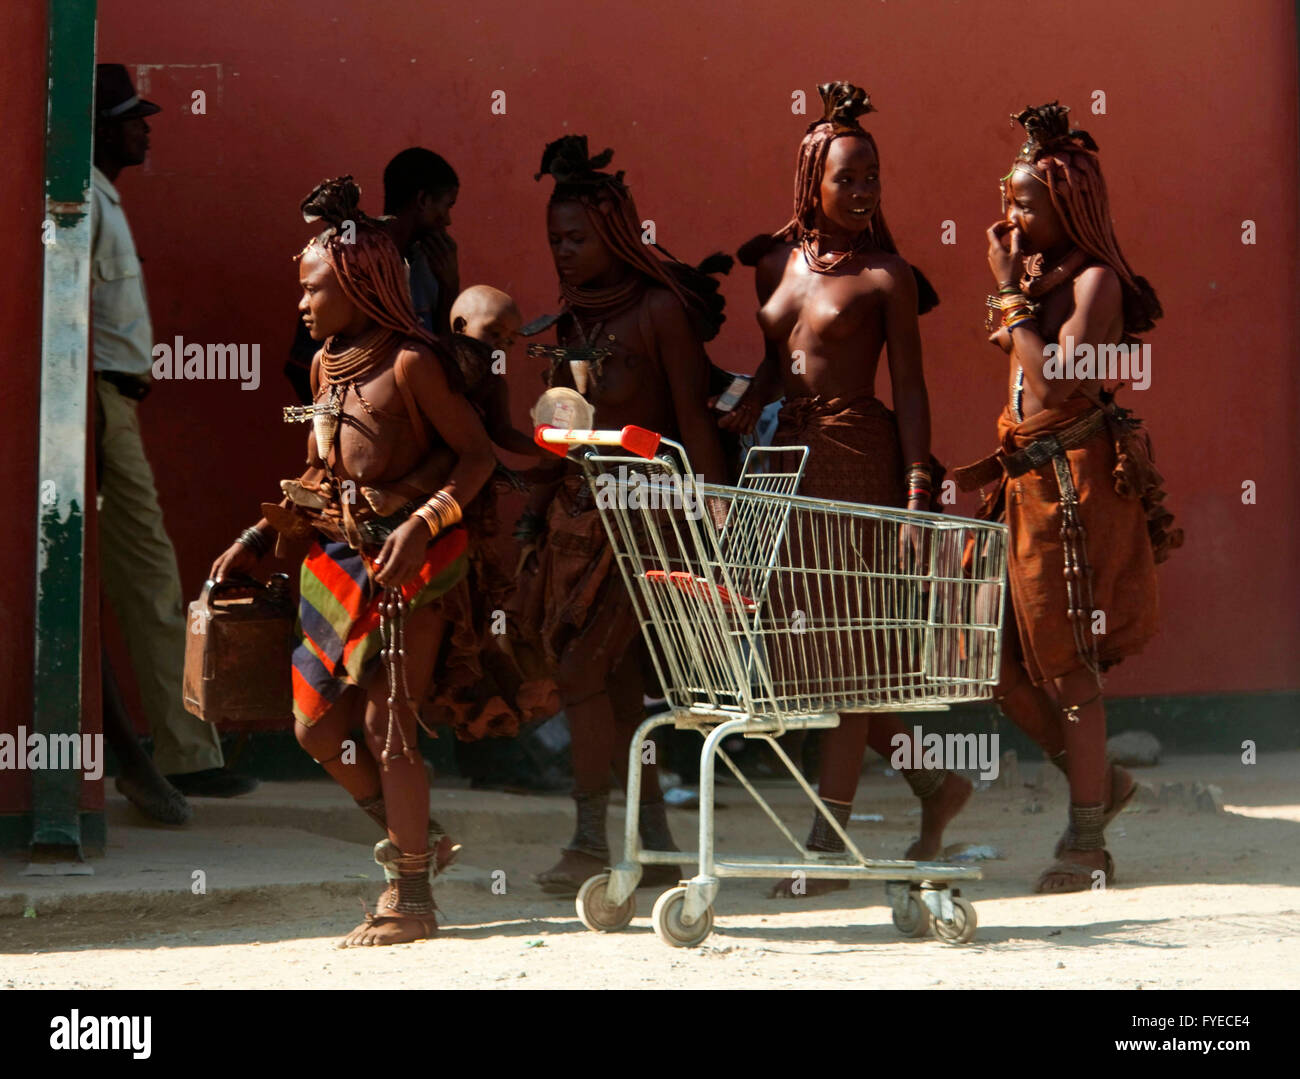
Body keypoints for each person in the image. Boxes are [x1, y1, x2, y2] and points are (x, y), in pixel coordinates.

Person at [210, 177, 495, 945]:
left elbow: (476, 458)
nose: (301, 304)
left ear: (360, 285)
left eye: (313, 289)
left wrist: (425, 524)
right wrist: (256, 541)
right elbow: (319, 476)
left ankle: (411, 898)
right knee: (312, 726)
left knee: (385, 724)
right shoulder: (324, 368)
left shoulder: (410, 364)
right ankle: (419, 843)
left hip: (411, 564)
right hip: (334, 564)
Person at [723, 82, 968, 896]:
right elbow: (771, 365)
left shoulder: (889, 275)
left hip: (857, 459)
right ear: (811, 185)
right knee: (807, 658)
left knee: (849, 656)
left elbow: (915, 387)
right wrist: (736, 407)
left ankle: (826, 845)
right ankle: (934, 780)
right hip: (783, 465)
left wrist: (916, 488)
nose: (863, 193)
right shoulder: (771, 263)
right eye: (848, 179)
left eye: (873, 179)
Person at [955, 102, 1180, 893]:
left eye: (1026, 203)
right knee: (997, 663)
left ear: (1069, 206)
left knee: (1072, 669)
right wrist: (1016, 291)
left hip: (1075, 490)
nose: (1009, 216)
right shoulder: (1038, 277)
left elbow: (1054, 378)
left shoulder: (1093, 281)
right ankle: (1106, 784)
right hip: (1025, 486)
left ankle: (1088, 843)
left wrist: (1007, 298)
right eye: (1008, 199)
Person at [518, 135, 730, 894]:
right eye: (554, 240)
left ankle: (586, 839)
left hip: (650, 518)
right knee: (612, 682)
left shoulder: (660, 312)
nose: (564, 253)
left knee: (584, 668)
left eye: (576, 238)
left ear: (611, 234)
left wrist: (710, 513)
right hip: (584, 518)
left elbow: (695, 419)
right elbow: (562, 428)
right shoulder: (572, 319)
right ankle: (656, 838)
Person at [91, 63, 257, 819]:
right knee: (149, 571)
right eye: (130, 116)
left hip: (106, 399)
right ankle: (183, 753)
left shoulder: (99, 200)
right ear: (97, 129)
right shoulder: (84, 201)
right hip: (97, 399)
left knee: (143, 574)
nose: (144, 126)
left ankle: (181, 750)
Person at [284, 148, 459, 401]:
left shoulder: (428, 264)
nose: (448, 220)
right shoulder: (350, 256)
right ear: (422, 200)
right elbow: (301, 364)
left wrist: (449, 289)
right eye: (447, 205)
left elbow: (445, 366)